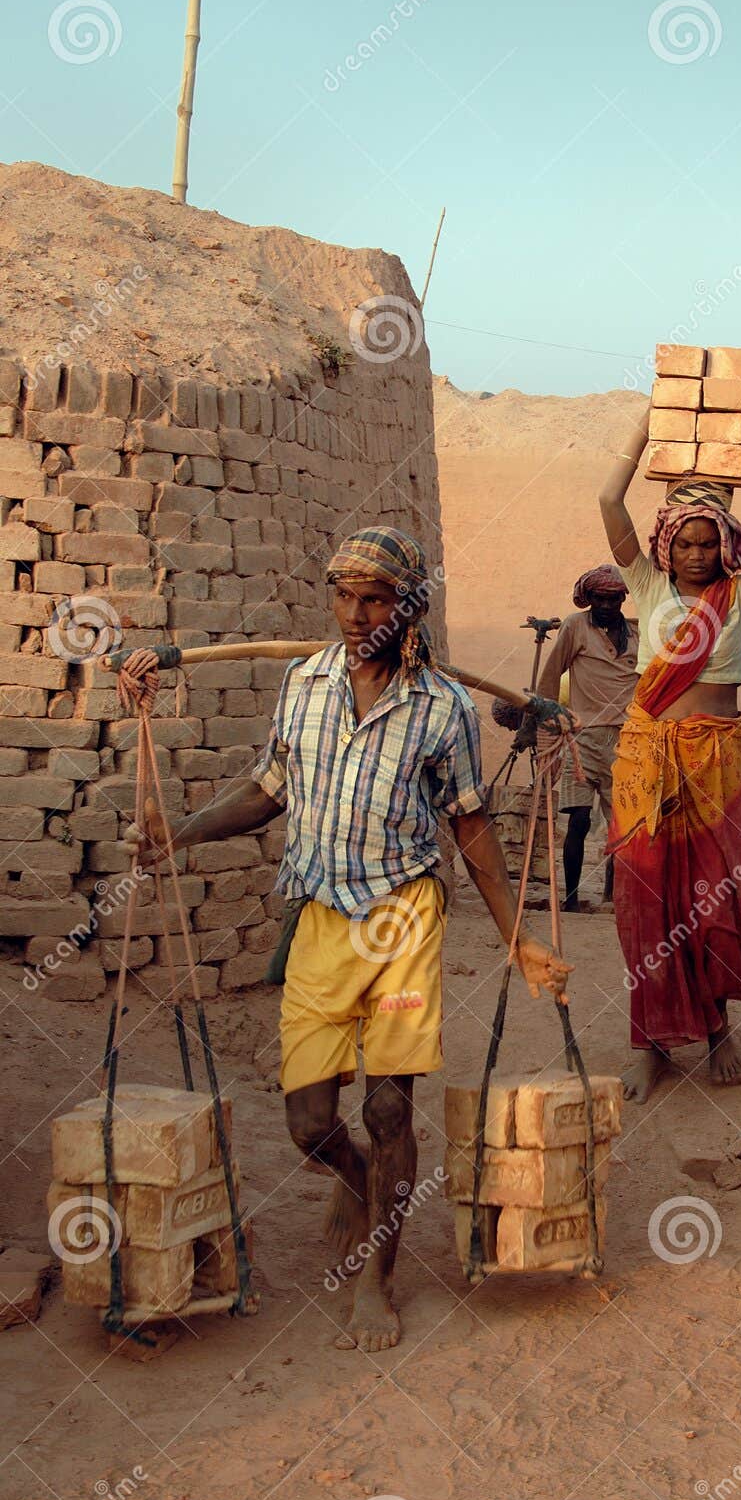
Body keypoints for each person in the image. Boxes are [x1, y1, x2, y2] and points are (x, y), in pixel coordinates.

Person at [130, 526, 571, 1353]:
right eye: (343, 595)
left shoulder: (441, 708)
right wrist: (178, 834)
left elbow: (470, 828)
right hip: (322, 922)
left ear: (407, 608)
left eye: (374, 598)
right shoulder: (303, 685)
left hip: (403, 919)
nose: (354, 612)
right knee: (308, 1123)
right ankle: (363, 1182)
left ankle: (378, 1280)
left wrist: (518, 937)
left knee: (387, 1105)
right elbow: (268, 792)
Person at [598, 401, 741, 1102]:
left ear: (726, 544)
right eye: (683, 543)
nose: (694, 554)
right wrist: (645, 432)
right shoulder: (646, 585)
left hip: (713, 762)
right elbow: (606, 498)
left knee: (714, 896)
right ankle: (651, 1043)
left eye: (706, 542)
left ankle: (717, 1027)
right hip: (644, 759)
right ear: (665, 547)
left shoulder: (740, 595)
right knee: (647, 900)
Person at [535, 565, 638, 911]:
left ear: (623, 598)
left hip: (627, 740)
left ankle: (615, 895)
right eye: (600, 598)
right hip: (583, 739)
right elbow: (550, 676)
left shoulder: (637, 634)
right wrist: (541, 725)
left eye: (613, 599)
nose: (607, 605)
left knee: (622, 826)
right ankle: (570, 898)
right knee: (578, 819)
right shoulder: (575, 626)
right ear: (588, 598)